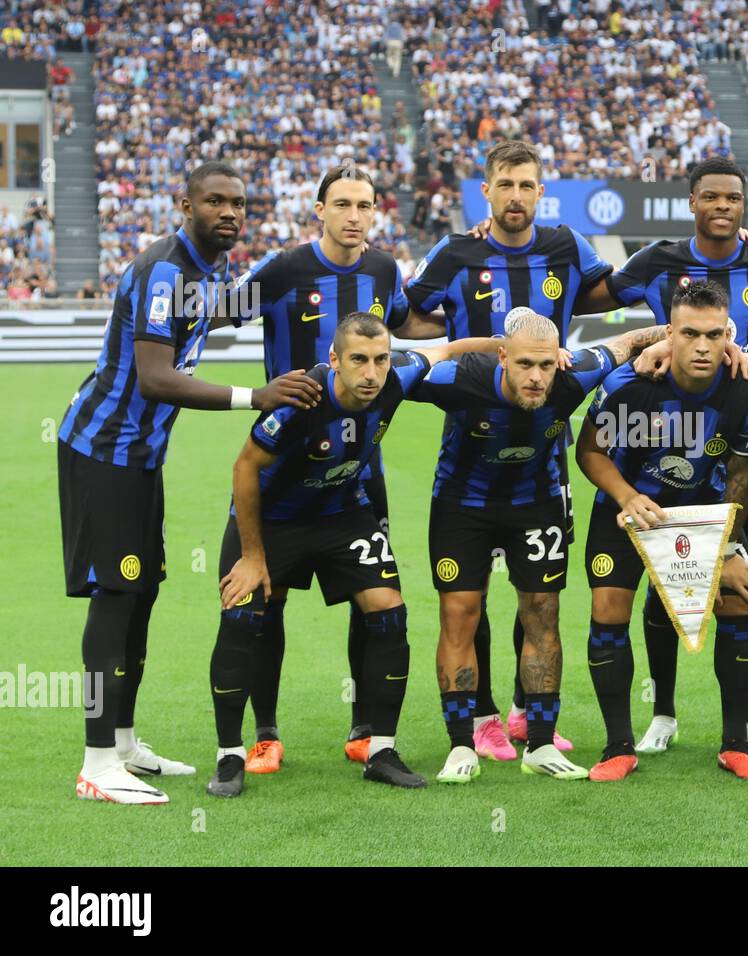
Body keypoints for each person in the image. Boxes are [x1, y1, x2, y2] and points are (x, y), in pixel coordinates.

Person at [57, 162, 321, 805]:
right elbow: (154, 375)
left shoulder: (210, 271)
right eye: (214, 201)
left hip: (140, 456)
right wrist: (252, 395)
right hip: (103, 452)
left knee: (141, 591)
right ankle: (96, 764)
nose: (229, 212)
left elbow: (221, 315)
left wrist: (307, 263)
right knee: (115, 596)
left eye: (238, 202)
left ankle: (122, 745)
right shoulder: (166, 269)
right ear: (185, 204)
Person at [573, 155, 748, 758]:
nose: (722, 207)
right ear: (691, 201)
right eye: (710, 197)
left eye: (733, 198)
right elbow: (590, 295)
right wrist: (641, 342)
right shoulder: (655, 272)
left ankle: (742, 727)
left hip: (736, 459)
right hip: (648, 473)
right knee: (641, 596)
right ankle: (654, 717)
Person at [206, 314, 498, 797]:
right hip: (272, 520)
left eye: (380, 360)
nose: (371, 373)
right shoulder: (301, 398)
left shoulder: (396, 377)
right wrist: (253, 556)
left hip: (342, 513)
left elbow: (445, 350)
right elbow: (245, 468)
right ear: (334, 361)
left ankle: (380, 749)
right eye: (359, 360)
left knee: (389, 612)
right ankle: (229, 756)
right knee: (242, 617)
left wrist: (502, 344)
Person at [406, 140, 614, 761]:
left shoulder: (567, 247)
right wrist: (471, 346)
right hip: (472, 435)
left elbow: (607, 297)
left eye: (527, 185)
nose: (516, 196)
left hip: (545, 452)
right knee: (469, 601)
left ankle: (530, 717)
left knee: (539, 598)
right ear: (487, 191)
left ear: (539, 190)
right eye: (506, 185)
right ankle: (485, 717)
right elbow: (409, 315)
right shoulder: (457, 251)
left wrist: (565, 351)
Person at [234, 164, 441, 773]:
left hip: (358, 464)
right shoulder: (282, 271)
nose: (355, 216)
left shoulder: (382, 271)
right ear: (319, 209)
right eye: (343, 204)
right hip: (283, 459)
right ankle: (266, 733)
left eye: (366, 205)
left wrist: (484, 324)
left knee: (370, 597)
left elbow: (405, 326)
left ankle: (366, 730)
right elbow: (219, 313)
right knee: (265, 601)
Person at [414, 310, 668, 784]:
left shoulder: (576, 376)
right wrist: (458, 346)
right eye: (525, 364)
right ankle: (460, 746)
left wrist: (667, 339)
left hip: (536, 506)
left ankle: (541, 742)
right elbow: (394, 367)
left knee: (542, 613)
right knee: (460, 614)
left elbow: (631, 339)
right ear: (503, 356)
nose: (536, 378)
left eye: (546, 366)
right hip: (461, 507)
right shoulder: (457, 379)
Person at [576, 281, 748, 782]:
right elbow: (590, 451)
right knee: (608, 609)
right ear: (670, 333)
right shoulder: (630, 384)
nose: (703, 346)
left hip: (705, 510)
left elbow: (742, 475)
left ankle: (735, 743)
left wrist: (729, 547)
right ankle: (617, 746)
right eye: (690, 333)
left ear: (728, 334)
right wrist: (626, 496)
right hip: (629, 510)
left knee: (741, 597)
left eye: (714, 334)